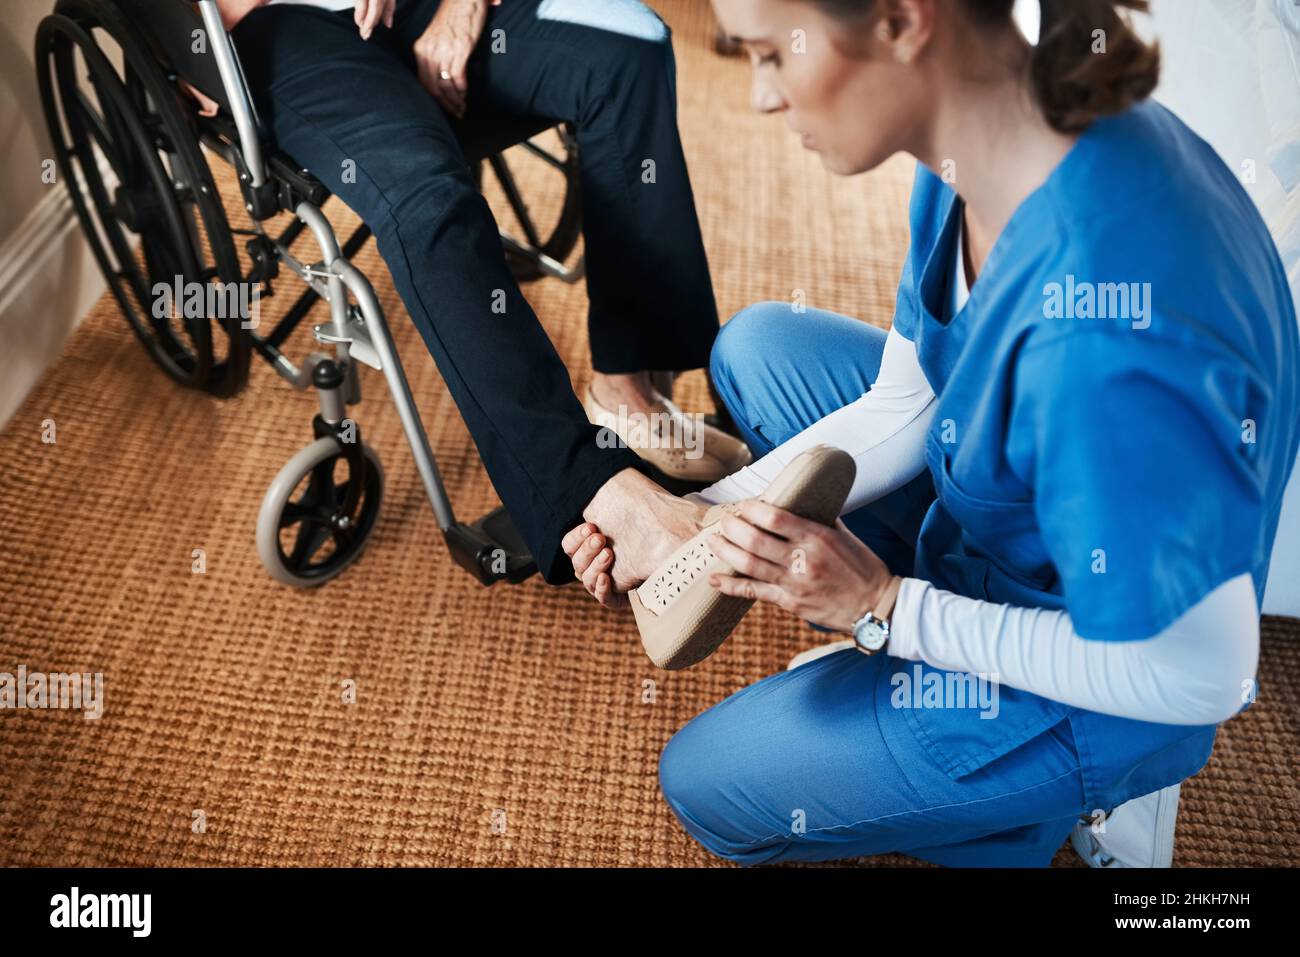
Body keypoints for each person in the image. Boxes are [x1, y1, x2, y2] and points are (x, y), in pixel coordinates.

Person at [565, 0, 1299, 866]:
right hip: (1024, 523)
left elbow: (1200, 675)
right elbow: (910, 402)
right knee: (760, 347)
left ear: (902, 21)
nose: (761, 97)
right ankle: (923, 708)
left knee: (708, 785)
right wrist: (694, 515)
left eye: (774, 55)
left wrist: (882, 608)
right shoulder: (978, 131)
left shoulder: (1115, 335)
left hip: (1119, 664)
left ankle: (1035, 812)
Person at [210, 0, 750, 586]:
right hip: (286, 27)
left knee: (632, 45)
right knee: (430, 199)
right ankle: (595, 492)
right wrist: (187, 45)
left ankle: (628, 388)